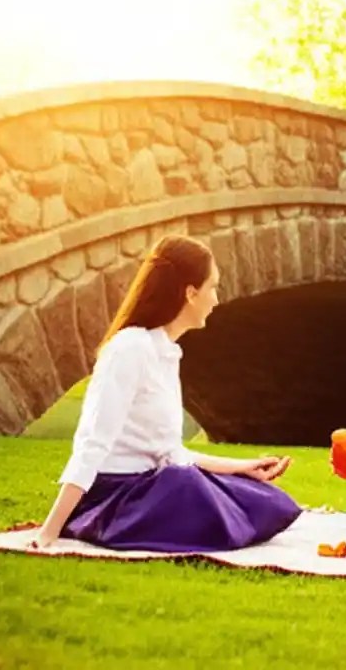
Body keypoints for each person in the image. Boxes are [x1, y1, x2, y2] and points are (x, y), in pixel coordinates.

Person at [31, 235, 301, 551]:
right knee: (187, 485)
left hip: (155, 485)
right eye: (213, 287)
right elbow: (93, 443)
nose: (216, 299)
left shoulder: (167, 352)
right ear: (190, 293)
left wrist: (241, 467)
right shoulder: (128, 348)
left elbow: (171, 452)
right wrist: (50, 530)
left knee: (268, 502)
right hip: (116, 497)